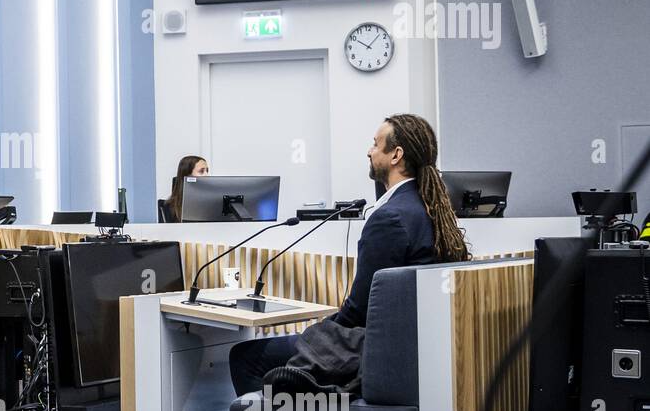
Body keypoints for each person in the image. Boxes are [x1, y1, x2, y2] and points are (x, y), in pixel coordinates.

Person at [228, 113, 468, 396]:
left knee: (246, 356)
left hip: (379, 348)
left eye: (376, 145)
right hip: (415, 343)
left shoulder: (389, 218)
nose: (369, 151)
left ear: (396, 155)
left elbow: (359, 310)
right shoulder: (431, 209)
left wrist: (317, 334)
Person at [162, 155, 208, 222]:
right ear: (187, 175)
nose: (206, 175)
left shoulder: (210, 205)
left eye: (207, 171)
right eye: (201, 171)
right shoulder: (169, 207)